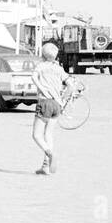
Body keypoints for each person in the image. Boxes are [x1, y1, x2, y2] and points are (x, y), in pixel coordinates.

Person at [31, 42, 72, 176]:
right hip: (56, 104)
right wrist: (63, 101)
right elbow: (71, 86)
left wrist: (42, 88)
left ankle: (50, 154)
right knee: (48, 134)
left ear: (42, 54)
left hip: (44, 102)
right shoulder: (59, 69)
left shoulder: (41, 66)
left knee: (37, 135)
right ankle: (45, 167)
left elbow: (33, 77)